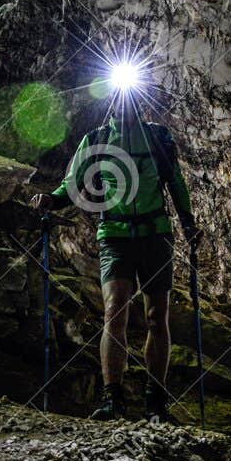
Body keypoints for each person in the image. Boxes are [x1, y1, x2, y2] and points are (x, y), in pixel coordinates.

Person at [32, 98, 196, 422]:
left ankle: (156, 403)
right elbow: (73, 182)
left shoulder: (159, 137)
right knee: (114, 310)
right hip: (116, 235)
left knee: (156, 315)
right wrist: (52, 199)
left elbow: (175, 181)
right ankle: (113, 399)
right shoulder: (96, 140)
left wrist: (188, 223)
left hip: (155, 234)